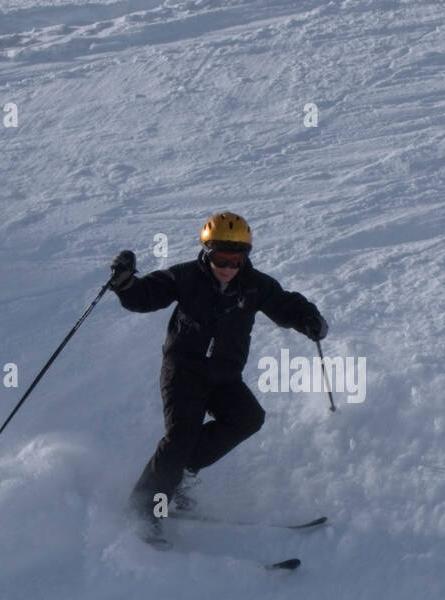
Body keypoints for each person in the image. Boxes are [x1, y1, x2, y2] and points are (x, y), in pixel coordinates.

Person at [109, 212, 327, 543]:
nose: (227, 267)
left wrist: (308, 318)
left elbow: (286, 304)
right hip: (183, 372)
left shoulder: (256, 285)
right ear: (207, 252)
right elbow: (146, 295)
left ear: (245, 257)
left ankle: (178, 473)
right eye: (220, 258)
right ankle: (144, 507)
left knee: (248, 418)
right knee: (181, 434)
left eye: (235, 259)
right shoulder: (184, 277)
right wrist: (126, 285)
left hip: (224, 375)